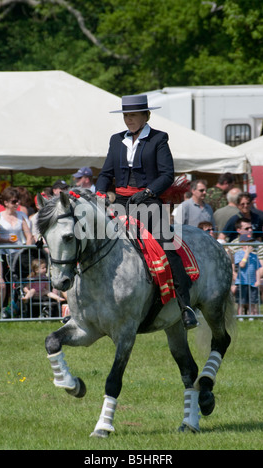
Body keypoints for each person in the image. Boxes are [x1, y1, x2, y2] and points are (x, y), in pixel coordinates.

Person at [95, 93, 198, 330]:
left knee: (167, 246)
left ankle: (186, 306)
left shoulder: (159, 139)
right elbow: (105, 174)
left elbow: (167, 175)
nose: (128, 119)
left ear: (146, 115)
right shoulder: (115, 140)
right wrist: (100, 192)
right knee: (92, 241)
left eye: (133, 115)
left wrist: (149, 192)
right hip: (120, 202)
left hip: (149, 202)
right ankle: (85, 304)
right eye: (126, 115)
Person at [0, 187, 33, 266]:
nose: (17, 204)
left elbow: (29, 235)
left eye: (18, 201)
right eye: (14, 201)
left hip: (18, 254)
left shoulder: (21, 215)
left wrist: (27, 251)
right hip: (3, 254)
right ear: (6, 203)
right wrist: (6, 240)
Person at [233, 233, 261, 319]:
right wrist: (246, 254)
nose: (250, 245)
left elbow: (257, 269)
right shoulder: (238, 254)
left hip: (252, 282)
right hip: (241, 282)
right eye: (247, 243)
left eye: (251, 243)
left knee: (252, 301)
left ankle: (251, 317)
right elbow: (241, 265)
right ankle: (240, 317)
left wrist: (258, 280)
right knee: (241, 302)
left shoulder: (255, 256)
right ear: (242, 244)